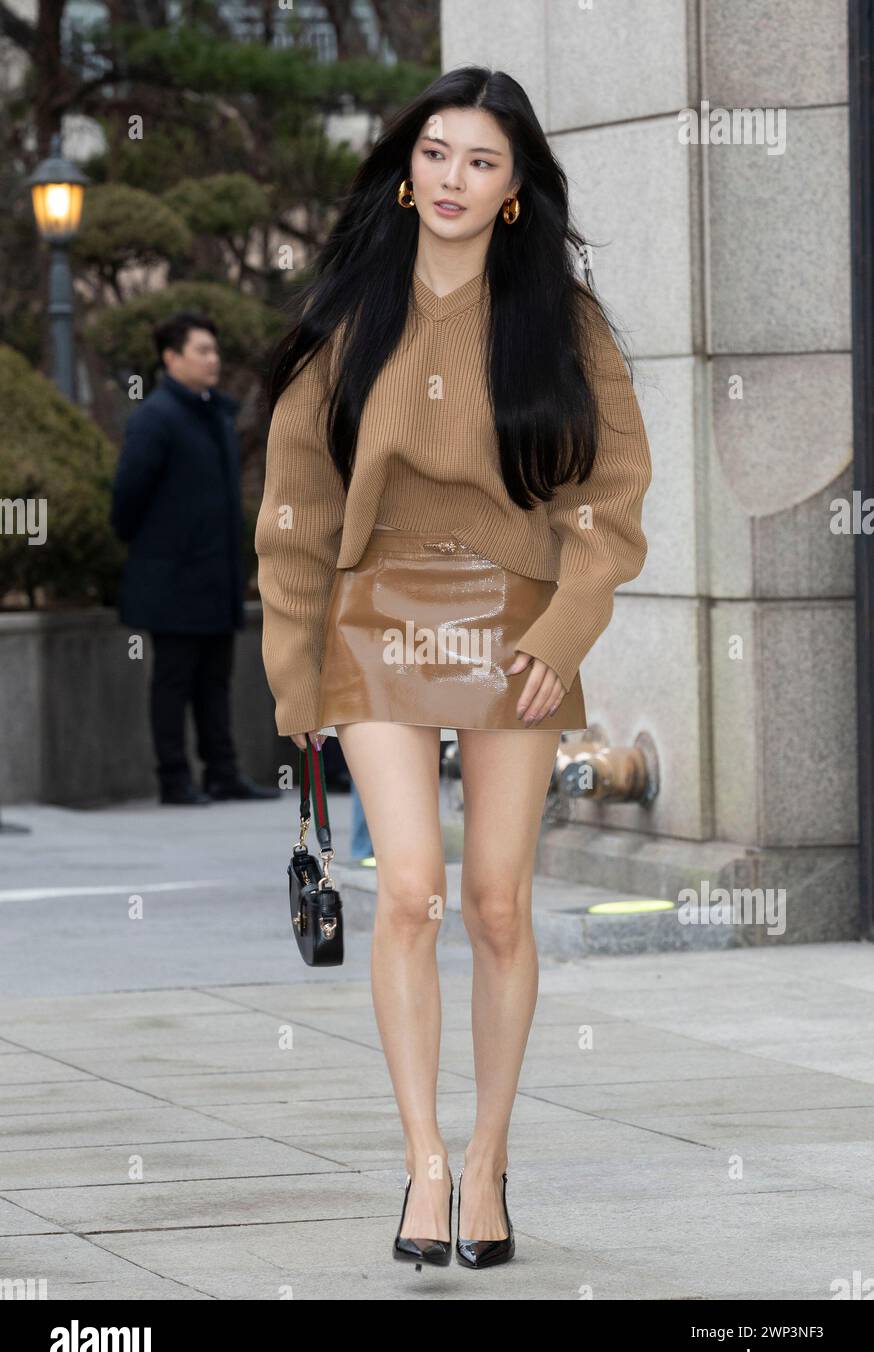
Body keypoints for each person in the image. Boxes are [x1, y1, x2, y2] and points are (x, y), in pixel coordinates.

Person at [255, 66, 652, 1270]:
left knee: (494, 902)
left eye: (481, 161)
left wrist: (564, 627)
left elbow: (612, 496)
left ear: (516, 188)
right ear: (406, 165)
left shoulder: (562, 323)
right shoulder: (352, 314)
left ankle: (488, 1162)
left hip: (517, 626)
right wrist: (294, 687)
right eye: (435, 153)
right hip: (374, 618)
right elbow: (296, 512)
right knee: (411, 890)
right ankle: (424, 1163)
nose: (452, 179)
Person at [111, 311, 279, 806]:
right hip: (171, 580)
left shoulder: (215, 414)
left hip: (215, 575)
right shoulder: (155, 418)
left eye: (215, 350)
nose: (214, 359)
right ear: (170, 358)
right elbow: (127, 500)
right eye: (202, 350)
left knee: (215, 680)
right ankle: (174, 778)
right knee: (173, 681)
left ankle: (223, 772)